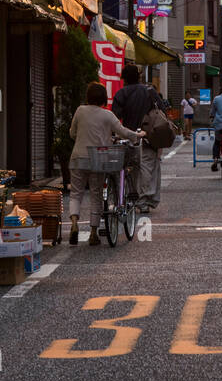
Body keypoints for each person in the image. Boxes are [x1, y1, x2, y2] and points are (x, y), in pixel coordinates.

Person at [68, 82, 143, 246]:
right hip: (97, 159)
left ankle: (74, 223)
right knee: (95, 195)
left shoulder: (80, 111)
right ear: (103, 99)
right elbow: (122, 131)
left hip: (77, 158)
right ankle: (94, 233)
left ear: (88, 97)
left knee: (75, 194)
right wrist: (137, 135)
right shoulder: (107, 115)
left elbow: (72, 133)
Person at [111, 64, 169, 212]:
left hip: (128, 136)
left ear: (124, 79)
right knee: (147, 168)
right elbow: (162, 111)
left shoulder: (121, 94)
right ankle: (144, 201)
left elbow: (115, 118)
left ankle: (131, 196)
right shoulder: (150, 91)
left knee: (131, 168)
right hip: (149, 136)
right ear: (139, 76)